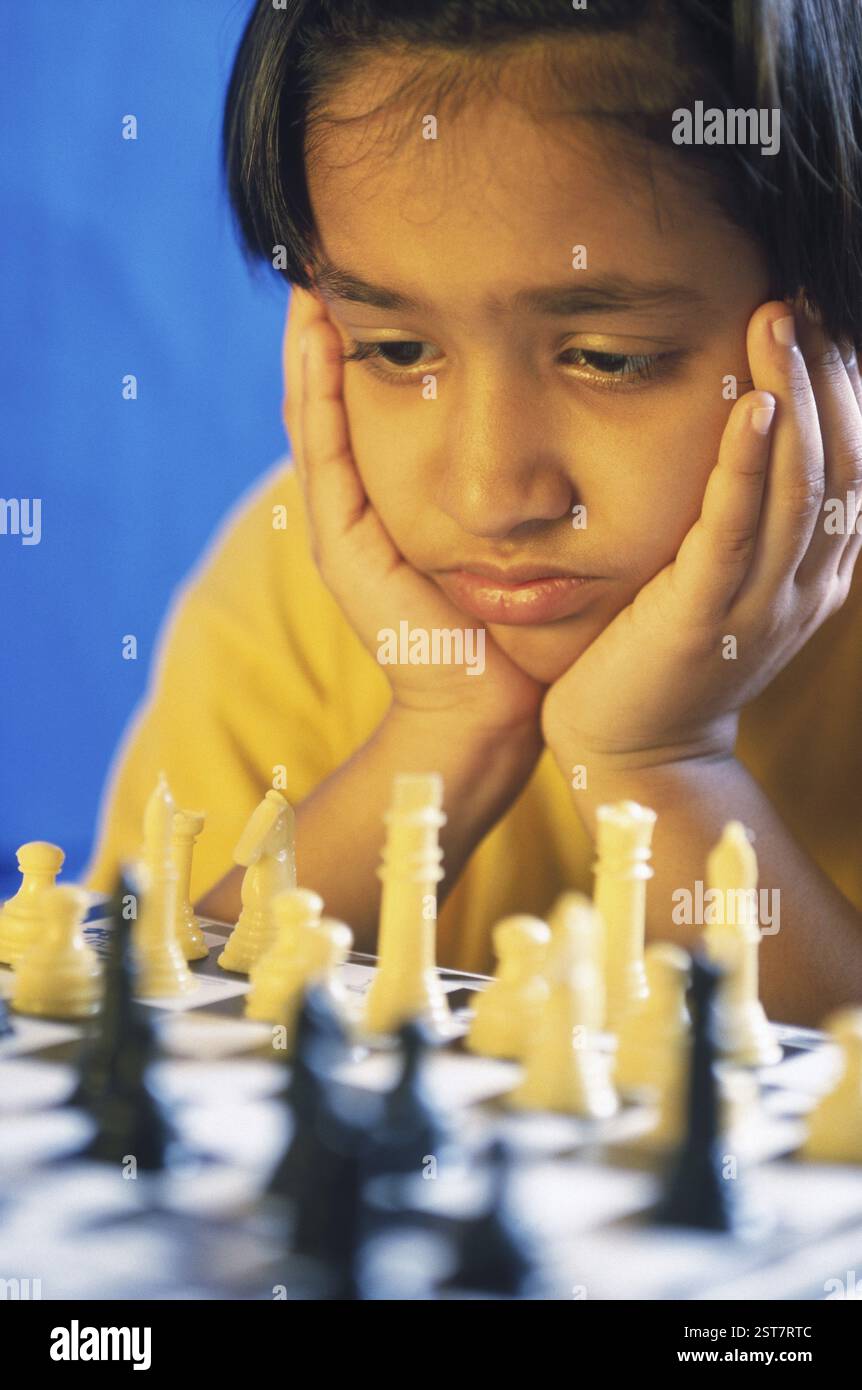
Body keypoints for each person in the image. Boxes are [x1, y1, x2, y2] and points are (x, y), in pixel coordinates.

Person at [86, 0, 862, 1025]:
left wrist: (663, 767)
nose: (488, 494)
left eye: (609, 358)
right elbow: (133, 1055)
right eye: (398, 350)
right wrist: (447, 731)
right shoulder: (292, 593)